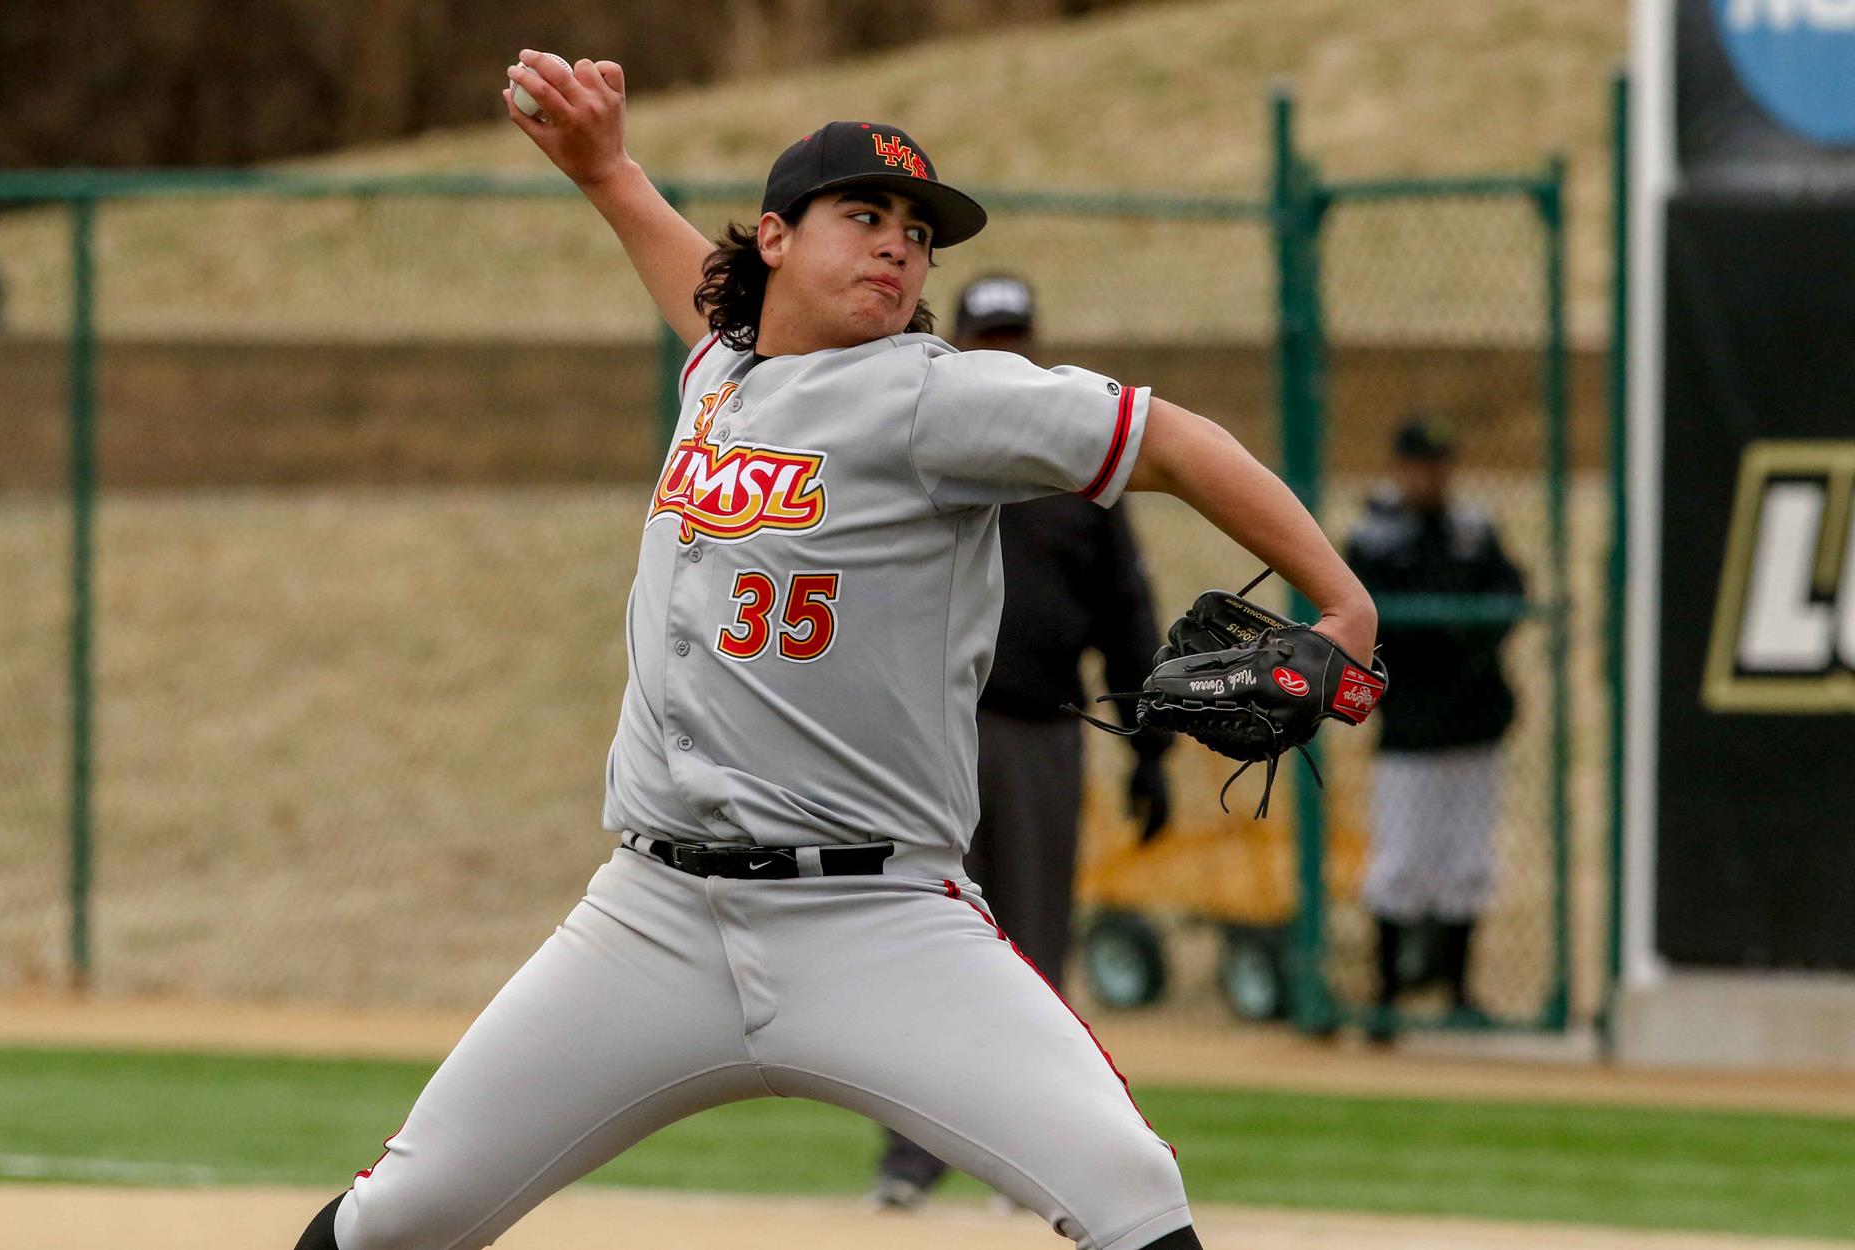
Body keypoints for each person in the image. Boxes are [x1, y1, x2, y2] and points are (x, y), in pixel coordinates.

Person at [292, 50, 1376, 1250]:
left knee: (1131, 1190)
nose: (898, 246)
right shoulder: (718, 373)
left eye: (917, 231)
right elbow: (685, 281)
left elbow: (1168, 439)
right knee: (397, 1218)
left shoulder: (933, 398)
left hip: (878, 920)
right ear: (772, 237)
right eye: (863, 214)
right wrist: (605, 172)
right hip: (652, 915)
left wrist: (1339, 603)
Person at [866, 274, 1174, 1213]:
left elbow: (1125, 612)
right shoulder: (915, 445)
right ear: (954, 341)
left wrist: (1149, 746)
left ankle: (1030, 1160)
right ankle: (911, 1157)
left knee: (1034, 949)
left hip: (1042, 731)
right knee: (921, 941)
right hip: (929, 738)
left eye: (1014, 337)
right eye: (984, 337)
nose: (1000, 352)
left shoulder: (1072, 465)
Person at [1345, 416, 1523, 1043]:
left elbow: (1509, 592)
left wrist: (1465, 633)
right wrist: (1449, 634)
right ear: (1399, 468)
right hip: (1413, 727)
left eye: (1441, 463)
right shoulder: (1375, 536)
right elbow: (1380, 624)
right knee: (1401, 862)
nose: (1434, 476)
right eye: (1422, 464)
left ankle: (1457, 992)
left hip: (1474, 721)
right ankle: (1388, 999)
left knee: (1468, 861)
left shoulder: (1472, 528)